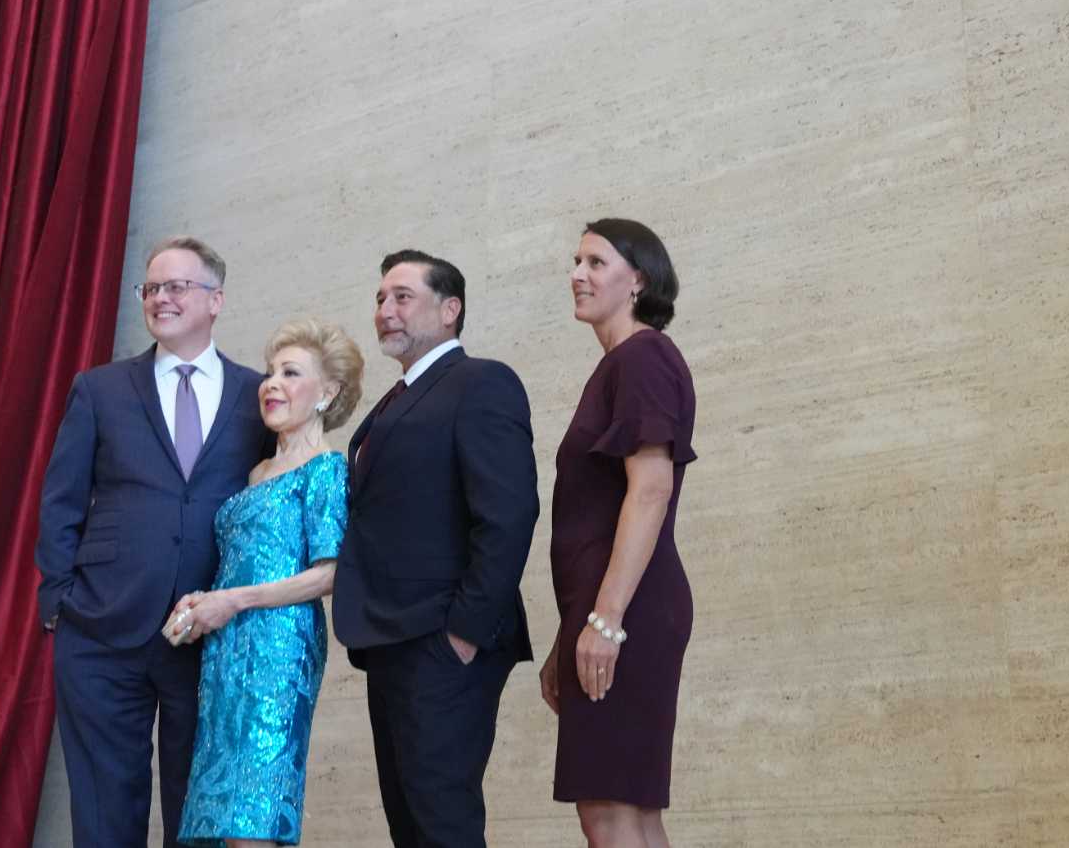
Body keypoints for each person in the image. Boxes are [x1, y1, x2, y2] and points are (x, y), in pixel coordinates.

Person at [36, 237, 273, 848]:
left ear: (216, 299)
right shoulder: (99, 389)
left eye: (177, 286)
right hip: (99, 630)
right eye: (151, 288)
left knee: (197, 818)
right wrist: (58, 601)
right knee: (104, 814)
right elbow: (60, 501)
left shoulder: (258, 396)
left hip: (210, 635)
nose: (160, 298)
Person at [332, 249, 540, 848]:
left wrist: (463, 634)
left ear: (450, 310)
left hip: (442, 641)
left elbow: (507, 514)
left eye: (402, 297)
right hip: (390, 640)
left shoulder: (481, 382)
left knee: (441, 823)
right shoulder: (393, 401)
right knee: (411, 824)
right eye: (379, 299)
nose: (385, 310)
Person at [164, 319, 363, 848]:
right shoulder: (254, 473)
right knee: (223, 818)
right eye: (271, 372)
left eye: (290, 373)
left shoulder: (326, 469)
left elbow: (331, 573)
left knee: (254, 813)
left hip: (279, 646)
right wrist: (206, 600)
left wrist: (232, 600)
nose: (270, 383)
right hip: (226, 649)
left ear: (328, 392)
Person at [543, 218, 698, 848]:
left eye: (596, 262)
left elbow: (651, 487)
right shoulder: (619, 365)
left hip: (628, 611)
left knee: (611, 812)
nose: (577, 275)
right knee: (623, 811)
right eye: (576, 262)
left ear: (637, 279)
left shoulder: (644, 356)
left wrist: (605, 621)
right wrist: (570, 635)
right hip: (611, 609)